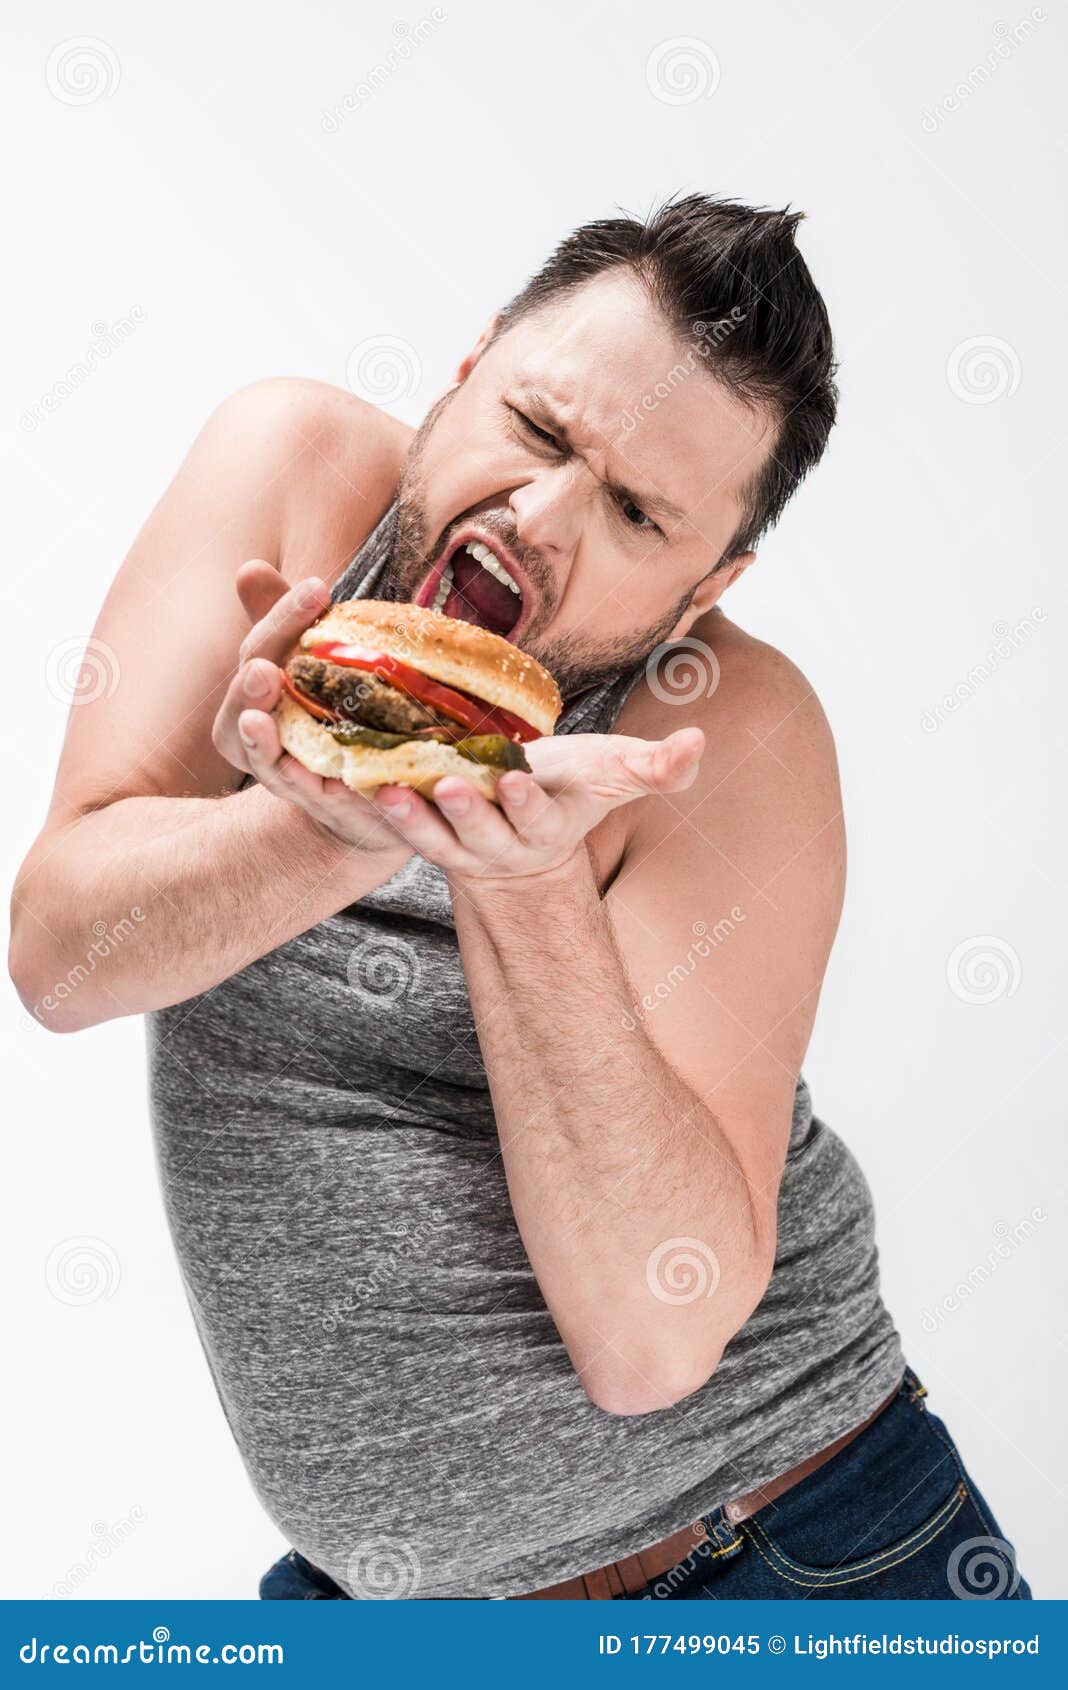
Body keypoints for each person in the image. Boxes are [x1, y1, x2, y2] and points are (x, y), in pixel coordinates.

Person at [10, 196, 1029, 1601]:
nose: (537, 520)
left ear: (707, 584)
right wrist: (335, 824)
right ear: (470, 364)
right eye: (539, 429)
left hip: (773, 1562)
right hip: (393, 1604)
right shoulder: (294, 478)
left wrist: (526, 870)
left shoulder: (726, 735)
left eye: (636, 513)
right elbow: (59, 960)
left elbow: (649, 1340)